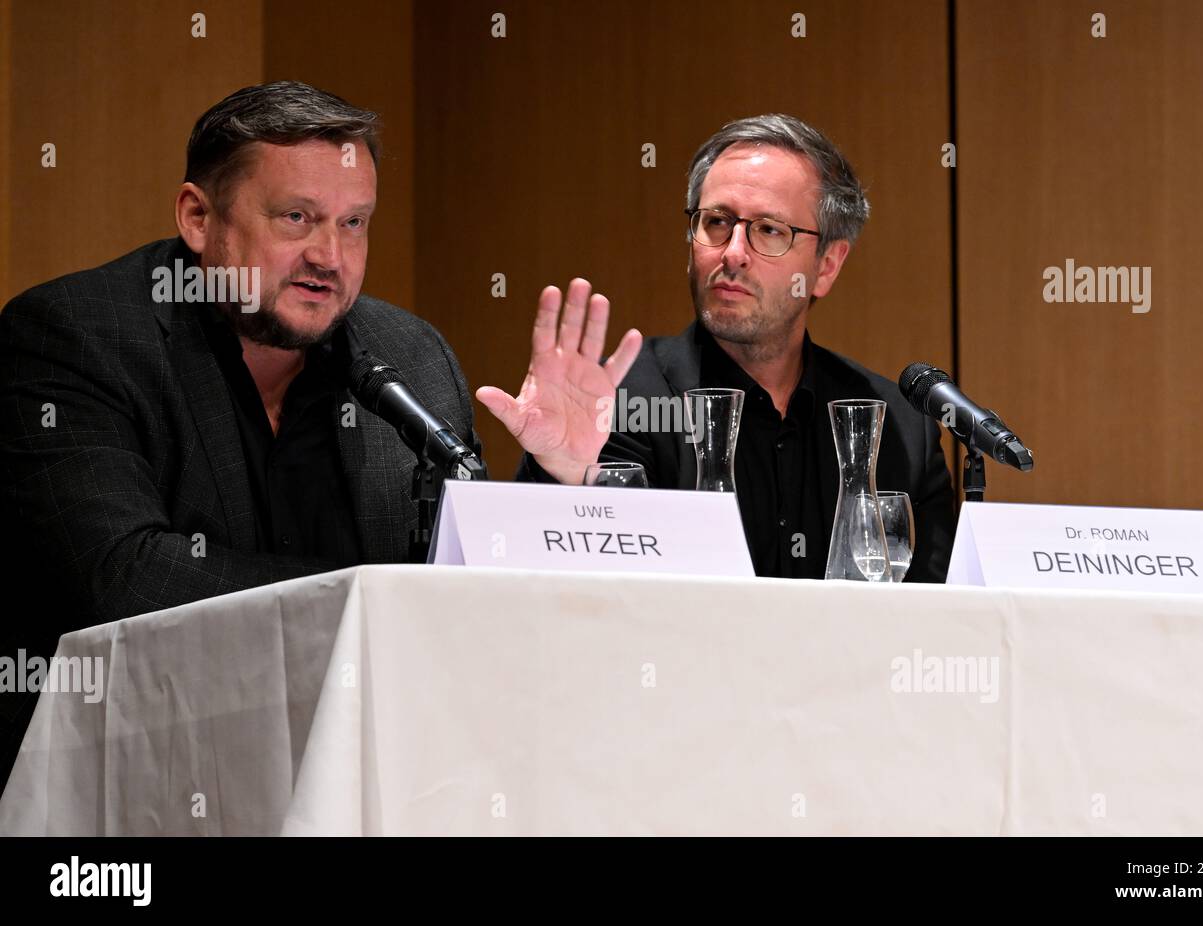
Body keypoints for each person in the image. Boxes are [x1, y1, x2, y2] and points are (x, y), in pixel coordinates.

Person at [0, 80, 640, 787]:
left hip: (366, 781)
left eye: (354, 223)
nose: (330, 257)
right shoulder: (78, 336)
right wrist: (382, 600)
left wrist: (557, 475)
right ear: (197, 216)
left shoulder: (411, 356)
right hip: (132, 782)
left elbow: (468, 595)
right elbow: (121, 580)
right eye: (297, 217)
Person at [503, 114, 956, 580]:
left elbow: (939, 620)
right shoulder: (623, 399)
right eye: (717, 222)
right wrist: (561, 475)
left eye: (769, 230)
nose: (732, 252)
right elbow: (571, 600)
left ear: (826, 266)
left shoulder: (900, 427)